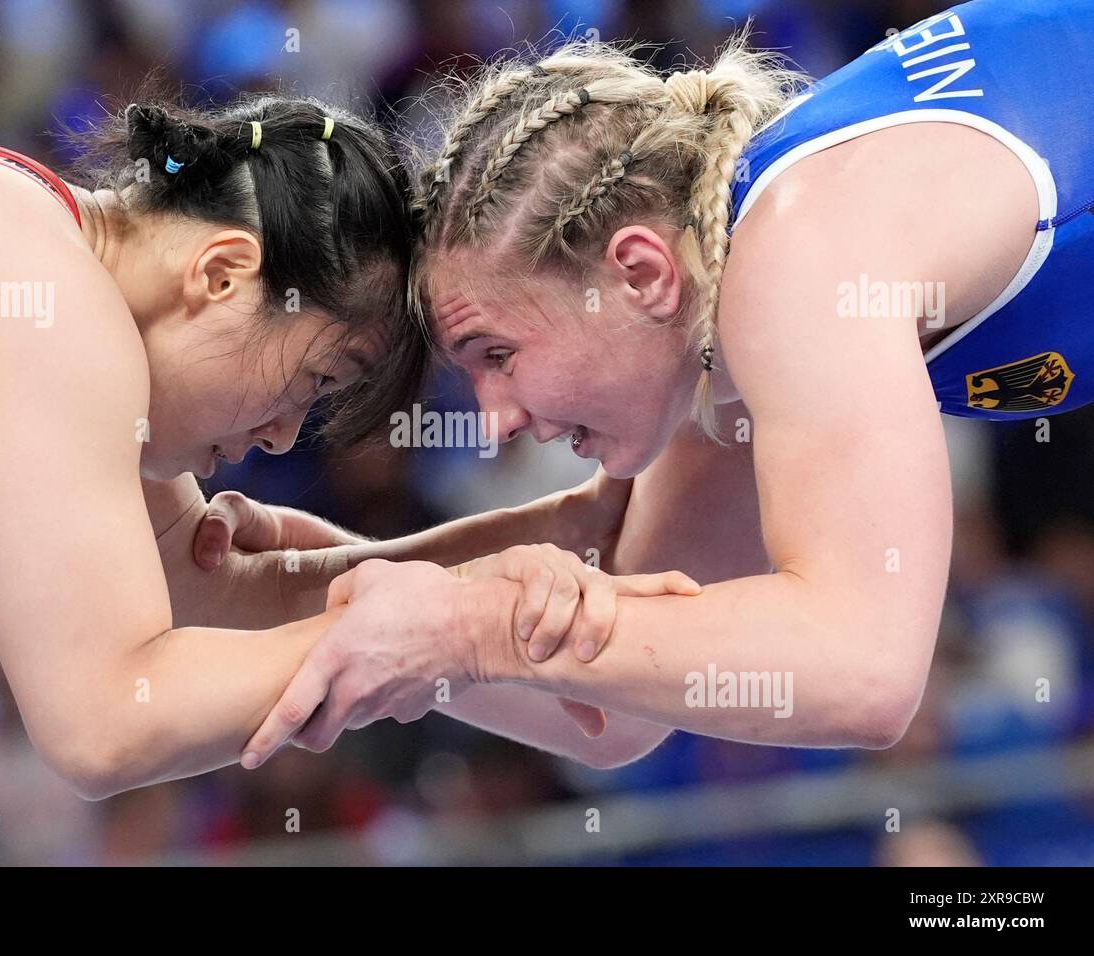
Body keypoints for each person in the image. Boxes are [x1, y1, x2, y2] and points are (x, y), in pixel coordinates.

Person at [194, 0, 1094, 766]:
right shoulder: (727, 329)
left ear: (638, 273)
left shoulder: (798, 259)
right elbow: (616, 714)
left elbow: (865, 666)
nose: (496, 422)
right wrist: (314, 589)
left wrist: (467, 628)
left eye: (497, 354)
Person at [0, 93, 677, 798]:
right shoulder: (51, 314)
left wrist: (528, 545)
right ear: (221, 273)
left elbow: (201, 600)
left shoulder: (58, 284)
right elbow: (104, 722)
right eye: (316, 382)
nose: (285, 435)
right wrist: (463, 627)